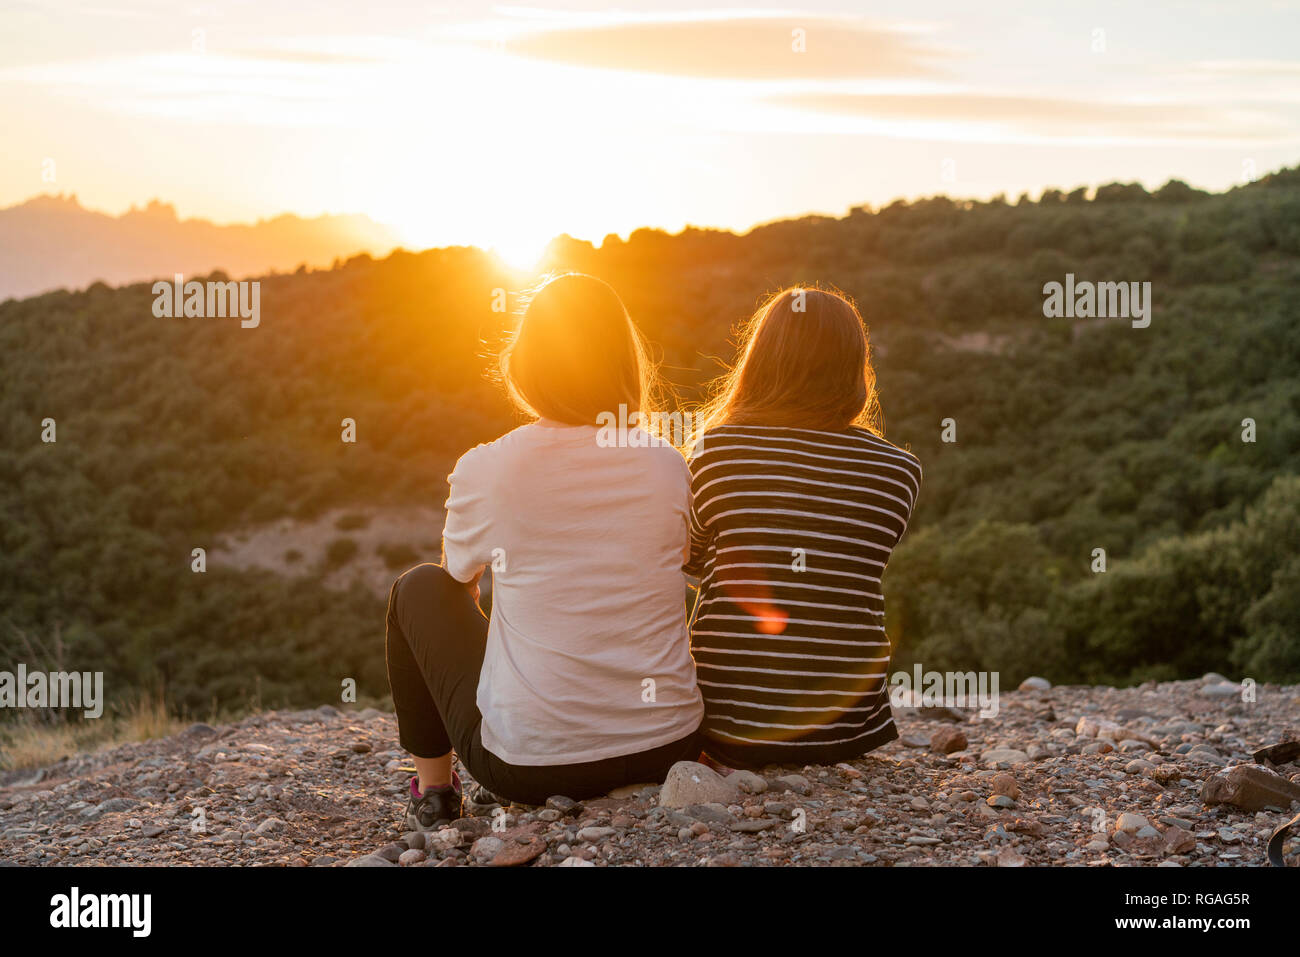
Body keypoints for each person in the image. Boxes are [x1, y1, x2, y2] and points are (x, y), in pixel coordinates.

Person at [385, 272, 703, 829]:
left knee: (418, 587)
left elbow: (458, 581)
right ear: (625, 364)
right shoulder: (666, 464)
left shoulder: (487, 467)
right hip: (668, 744)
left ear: (527, 362)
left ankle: (434, 791)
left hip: (532, 769)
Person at [685, 286, 922, 770]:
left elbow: (690, 560)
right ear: (855, 367)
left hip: (726, 724)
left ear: (761, 360)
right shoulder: (898, 471)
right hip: (849, 730)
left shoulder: (717, 451)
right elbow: (847, 565)